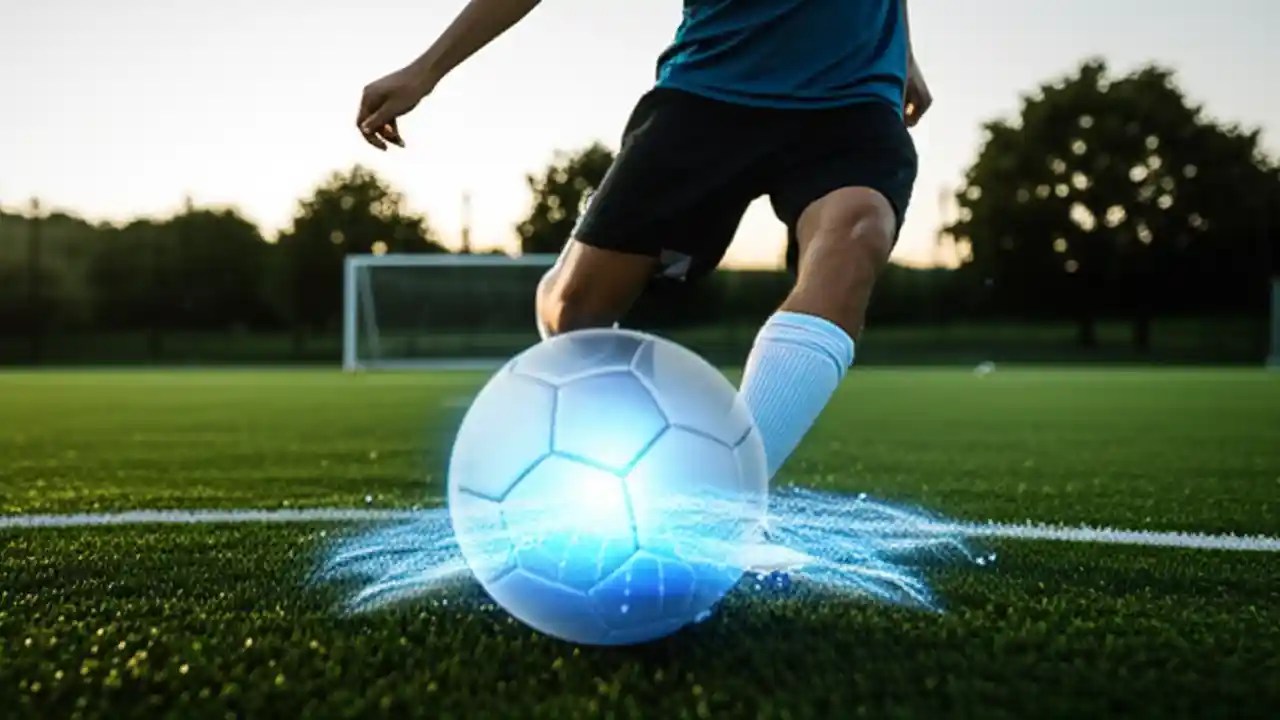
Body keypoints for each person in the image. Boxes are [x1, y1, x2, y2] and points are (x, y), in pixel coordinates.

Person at [356, 0, 931, 481]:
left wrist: (901, 50)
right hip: (711, 88)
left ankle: (726, 499)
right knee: (573, 310)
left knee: (857, 233)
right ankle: (597, 237)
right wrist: (425, 69)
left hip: (853, 99)